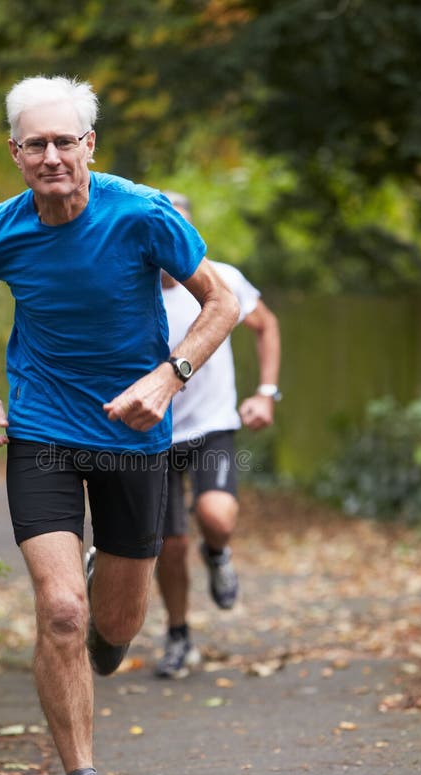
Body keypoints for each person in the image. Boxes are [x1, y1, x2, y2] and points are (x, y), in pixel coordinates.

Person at [0, 77, 239, 775]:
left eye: (65, 142)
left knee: (114, 632)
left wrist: (169, 375)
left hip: (135, 436)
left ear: (90, 147)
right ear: (16, 155)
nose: (52, 156)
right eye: (35, 144)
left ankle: (103, 622)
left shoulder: (143, 214)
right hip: (42, 428)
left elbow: (223, 303)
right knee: (62, 615)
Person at [154, 192, 281, 679]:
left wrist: (266, 392)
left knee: (217, 516)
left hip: (210, 425)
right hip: (154, 436)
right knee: (169, 545)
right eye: (163, 231)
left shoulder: (222, 279)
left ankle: (218, 551)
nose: (172, 242)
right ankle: (178, 634)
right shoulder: (130, 287)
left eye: (181, 232)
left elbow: (265, 325)